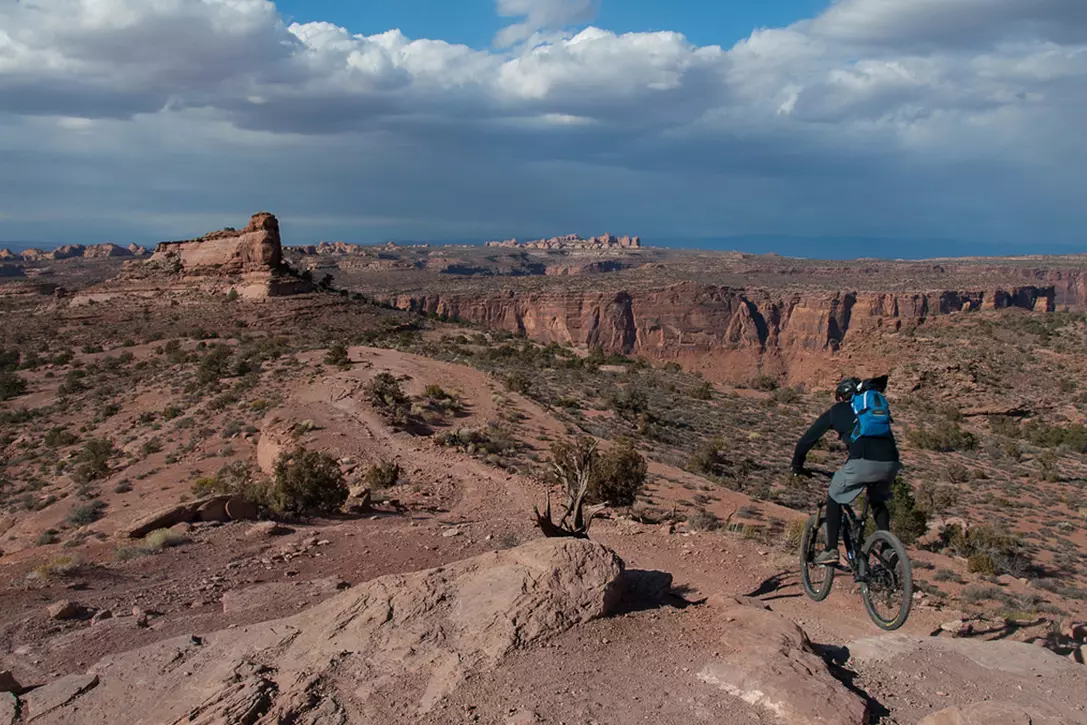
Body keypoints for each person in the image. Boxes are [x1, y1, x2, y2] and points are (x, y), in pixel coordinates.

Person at [791, 377, 902, 566]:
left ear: (841, 397)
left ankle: (831, 549)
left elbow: (806, 441)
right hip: (891, 460)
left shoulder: (837, 411)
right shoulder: (870, 409)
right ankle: (888, 547)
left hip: (862, 459)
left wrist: (797, 465)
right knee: (877, 499)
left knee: (834, 495)